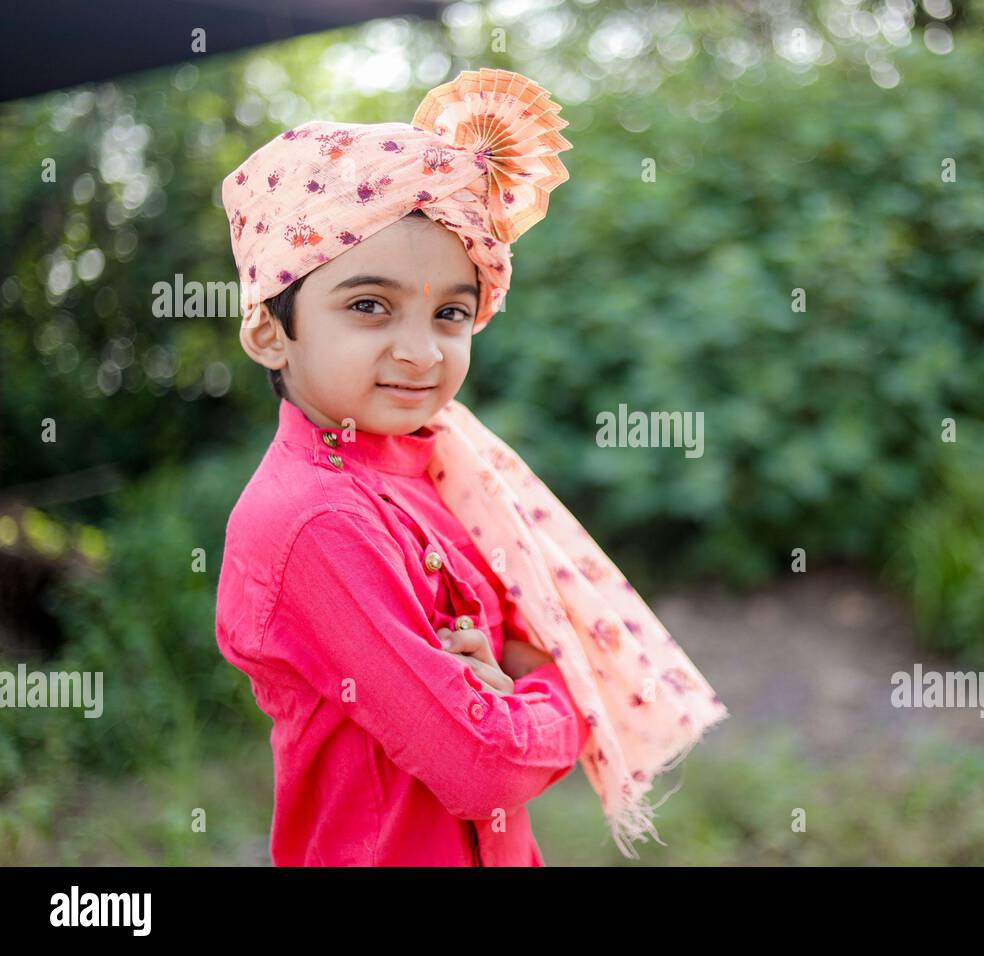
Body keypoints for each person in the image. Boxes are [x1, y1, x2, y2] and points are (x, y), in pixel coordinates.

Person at [214, 69, 728, 866]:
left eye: (450, 312)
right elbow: (483, 762)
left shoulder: (433, 465)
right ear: (269, 332)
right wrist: (563, 692)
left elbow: (513, 673)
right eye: (369, 306)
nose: (421, 353)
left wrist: (522, 683)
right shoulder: (318, 519)